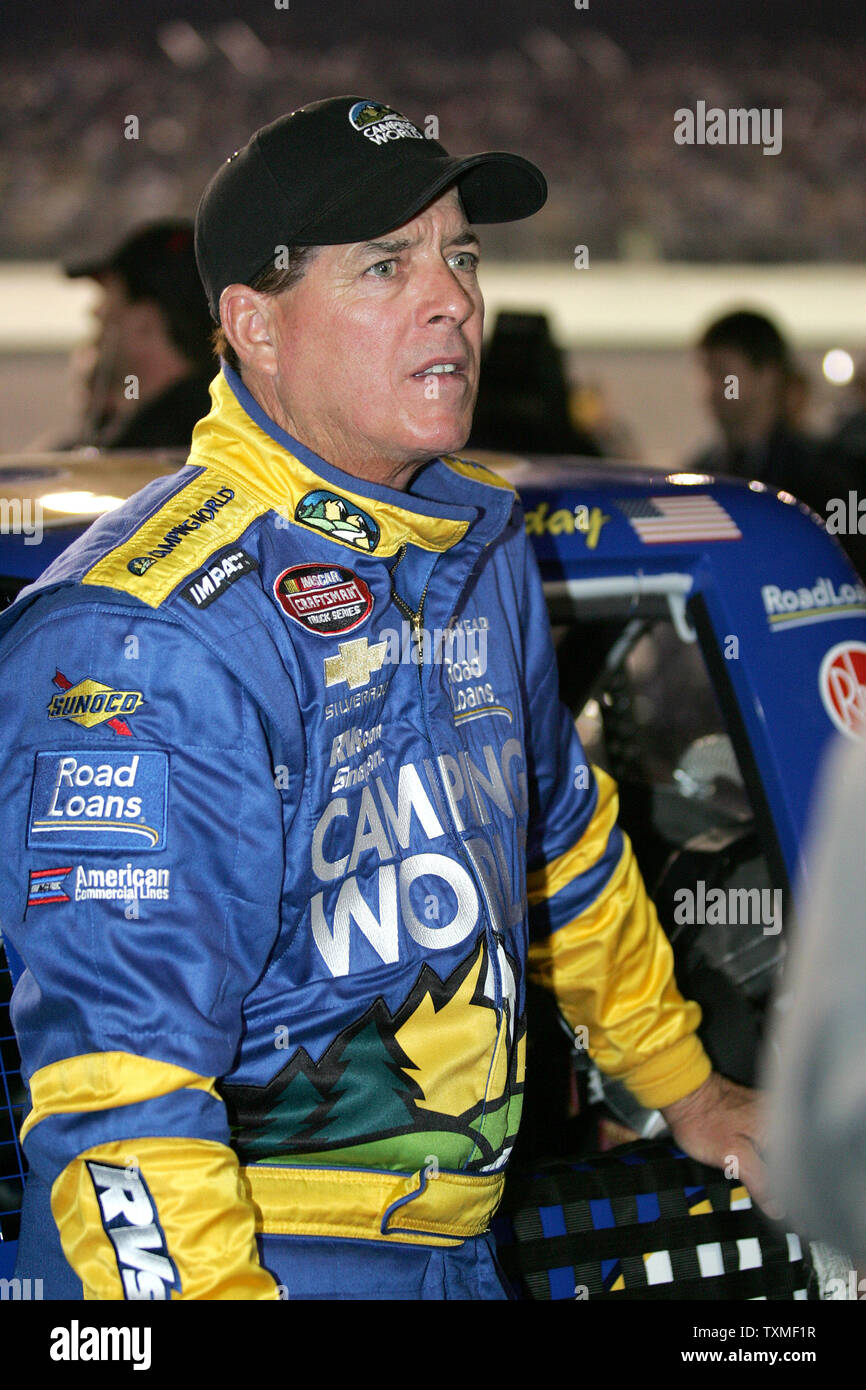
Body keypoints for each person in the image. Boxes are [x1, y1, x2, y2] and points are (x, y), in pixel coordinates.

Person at [0, 96, 768, 1302]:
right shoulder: (144, 634)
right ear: (250, 324)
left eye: (459, 254)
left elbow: (554, 844)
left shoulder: (477, 542)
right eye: (383, 264)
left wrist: (685, 1085)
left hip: (455, 1243)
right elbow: (119, 1096)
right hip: (252, 1255)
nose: (452, 296)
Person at [59, 219, 216, 449]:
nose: (95, 312)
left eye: (108, 296)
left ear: (145, 324)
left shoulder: (146, 448)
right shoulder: (226, 421)